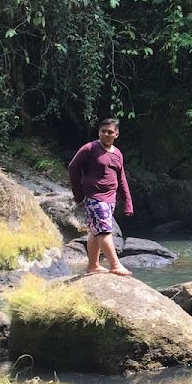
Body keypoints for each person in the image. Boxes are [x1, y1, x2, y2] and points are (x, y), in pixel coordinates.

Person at [68, 118, 134, 276]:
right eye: (103, 131)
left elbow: (121, 178)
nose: (106, 134)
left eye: (110, 132)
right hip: (95, 197)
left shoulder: (117, 153)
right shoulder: (89, 148)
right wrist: (78, 193)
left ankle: (93, 265)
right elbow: (73, 168)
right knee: (104, 231)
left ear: (116, 134)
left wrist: (128, 202)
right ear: (99, 132)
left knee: (95, 231)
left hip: (110, 199)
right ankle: (115, 265)